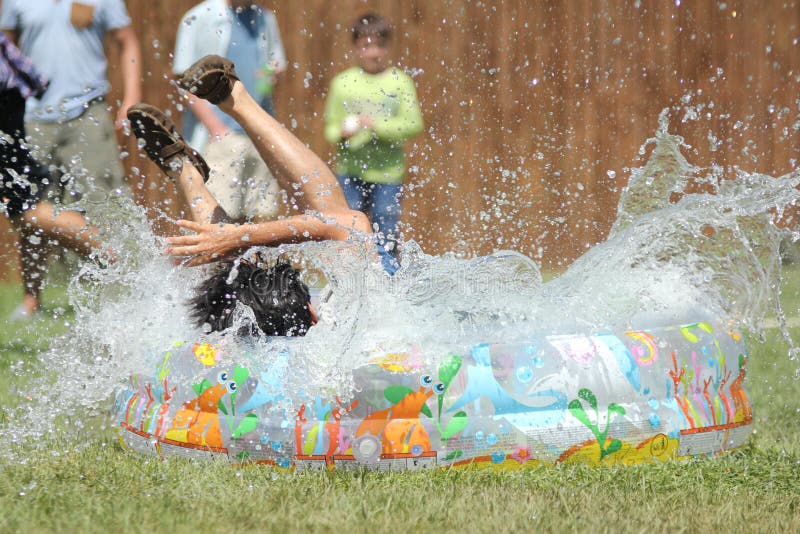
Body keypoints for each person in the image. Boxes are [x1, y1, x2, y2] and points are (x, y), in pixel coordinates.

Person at [127, 55, 371, 332]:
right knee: (334, 219)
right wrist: (239, 238)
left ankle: (187, 172)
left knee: (232, 279)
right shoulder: (360, 335)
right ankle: (232, 105)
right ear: (313, 316)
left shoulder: (225, 366)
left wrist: (234, 240)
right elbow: (349, 224)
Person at [0, 0, 141, 317]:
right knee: (30, 207)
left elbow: (126, 38)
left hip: (88, 112)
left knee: (102, 201)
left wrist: (131, 97)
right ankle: (31, 301)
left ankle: (118, 286)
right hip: (32, 115)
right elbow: (5, 45)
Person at [0, 33, 110, 320]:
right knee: (22, 205)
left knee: (26, 207)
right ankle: (117, 260)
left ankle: (118, 259)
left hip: (5, 96)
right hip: (9, 94)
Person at [323, 12, 423, 270]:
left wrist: (375, 124)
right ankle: (349, 279)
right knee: (349, 231)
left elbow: (413, 124)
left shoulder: (400, 82)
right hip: (350, 172)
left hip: (388, 174)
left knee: (386, 232)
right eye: (366, 45)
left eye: (379, 45)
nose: (373, 52)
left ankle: (390, 279)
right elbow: (330, 130)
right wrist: (344, 132)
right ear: (356, 47)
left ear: (388, 46)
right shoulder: (343, 83)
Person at [173, 0, 287, 223]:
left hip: (259, 133)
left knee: (261, 217)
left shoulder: (264, 18)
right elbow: (182, 81)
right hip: (220, 135)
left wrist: (271, 75)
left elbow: (277, 65)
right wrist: (217, 127)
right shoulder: (198, 17)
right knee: (218, 218)